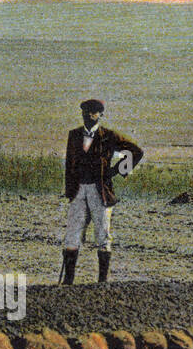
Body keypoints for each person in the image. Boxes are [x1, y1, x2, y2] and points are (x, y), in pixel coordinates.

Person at [61, 98, 144, 284]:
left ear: (100, 115)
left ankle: (102, 281)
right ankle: (68, 282)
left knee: (102, 235)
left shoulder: (109, 136)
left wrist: (116, 171)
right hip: (78, 191)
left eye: (93, 112)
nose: (88, 115)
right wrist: (70, 192)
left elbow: (137, 152)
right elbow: (69, 165)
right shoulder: (73, 135)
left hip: (100, 192)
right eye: (85, 112)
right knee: (72, 234)